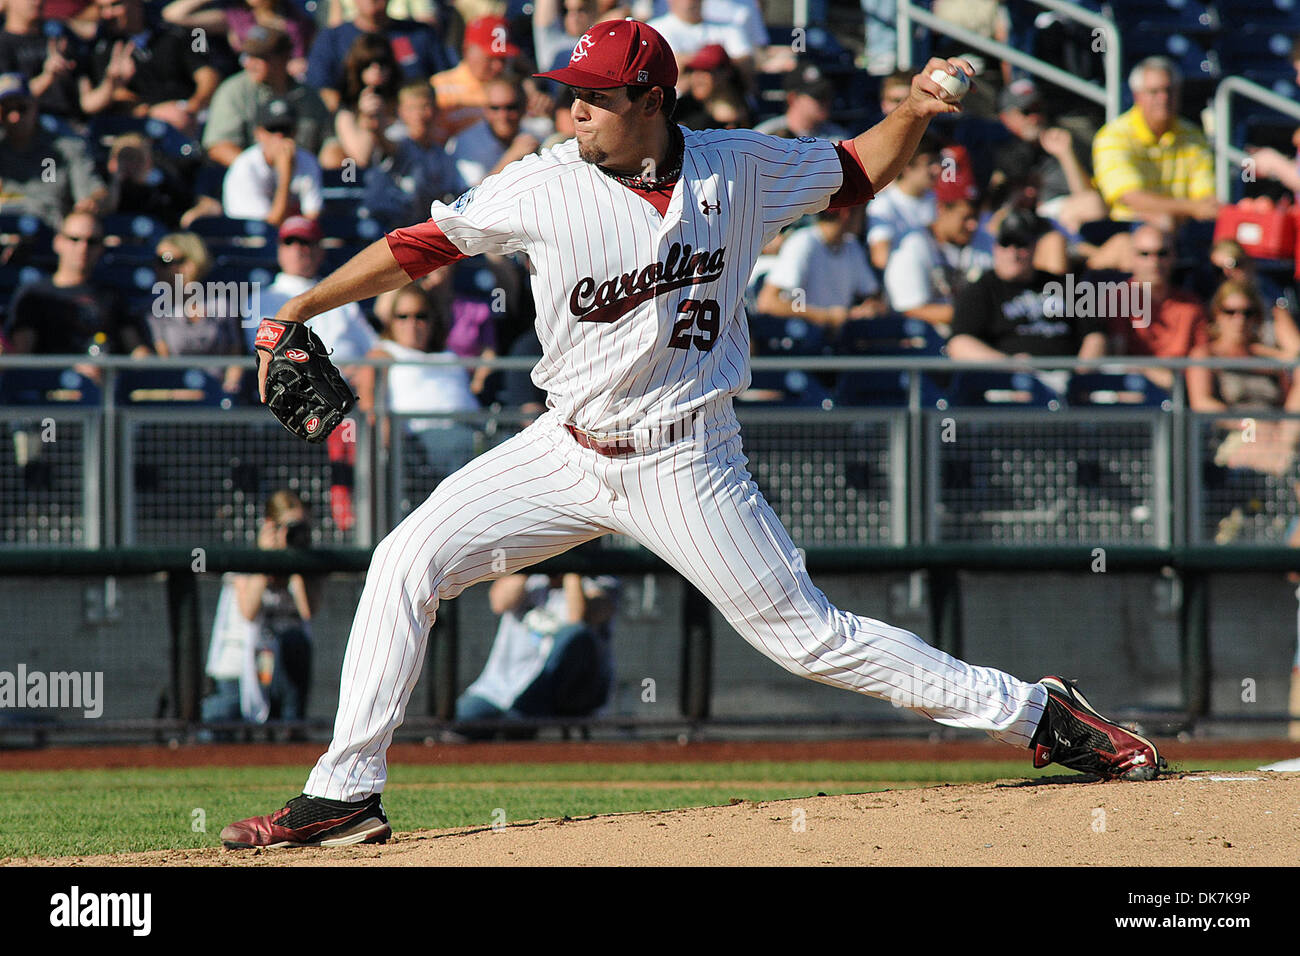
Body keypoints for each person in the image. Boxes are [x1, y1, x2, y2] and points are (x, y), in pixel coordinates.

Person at [221, 22, 1163, 849]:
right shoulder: (540, 186)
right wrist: (301, 303)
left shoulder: (737, 167)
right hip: (567, 446)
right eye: (569, 94)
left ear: (651, 98)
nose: (576, 111)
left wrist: (914, 110)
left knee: (810, 641)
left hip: (687, 458)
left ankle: (1037, 713)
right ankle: (345, 793)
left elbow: (852, 169)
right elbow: (419, 246)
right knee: (403, 562)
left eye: (595, 96)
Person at [947, 209, 1105, 392]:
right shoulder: (981, 289)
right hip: (1009, 384)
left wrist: (1082, 376)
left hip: (1068, 378)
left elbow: (1095, 335)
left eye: (1021, 245)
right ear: (995, 247)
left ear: (1035, 246)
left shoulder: (1065, 285)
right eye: (1006, 244)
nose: (1013, 253)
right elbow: (959, 344)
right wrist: (1008, 365)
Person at [202, 489, 319, 730]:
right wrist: (267, 556)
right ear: (270, 526)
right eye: (290, 527)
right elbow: (249, 611)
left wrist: (295, 560)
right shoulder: (246, 559)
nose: (296, 533)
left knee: (296, 642)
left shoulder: (308, 565)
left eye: (301, 527)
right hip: (238, 671)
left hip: (280, 673)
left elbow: (308, 611)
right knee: (216, 731)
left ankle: (290, 739)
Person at [455, 573, 618, 738]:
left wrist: (570, 570)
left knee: (575, 633)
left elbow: (578, 621)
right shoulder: (532, 579)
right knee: (455, 727)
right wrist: (534, 556)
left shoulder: (597, 581)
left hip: (557, 695)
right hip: (498, 689)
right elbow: (499, 602)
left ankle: (519, 721)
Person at [358, 283, 479, 481]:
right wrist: (384, 433)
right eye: (402, 316)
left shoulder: (448, 354)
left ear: (432, 320)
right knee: (466, 448)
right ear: (391, 321)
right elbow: (368, 400)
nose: (412, 324)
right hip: (421, 439)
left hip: (471, 430)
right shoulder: (385, 352)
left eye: (420, 316)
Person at [4, 210, 151, 369]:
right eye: (74, 239)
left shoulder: (112, 295)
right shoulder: (34, 296)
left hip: (104, 386)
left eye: (92, 241)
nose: (83, 247)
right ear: (58, 242)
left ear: (101, 247)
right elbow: (21, 359)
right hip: (52, 386)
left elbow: (136, 351)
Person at [1091, 57, 1218, 225]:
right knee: (1162, 222)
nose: (1163, 97)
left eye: (1169, 90)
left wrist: (1197, 208)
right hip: (1130, 229)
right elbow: (1131, 198)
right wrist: (1192, 208)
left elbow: (1206, 196)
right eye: (1154, 91)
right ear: (1137, 96)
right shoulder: (1113, 136)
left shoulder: (1193, 135)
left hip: (1183, 227)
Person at [81, 0, 220, 135]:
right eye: (102, 8)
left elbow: (207, 76)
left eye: (115, 5)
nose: (108, 14)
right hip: (142, 127)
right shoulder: (102, 48)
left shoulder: (174, 33)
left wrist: (192, 107)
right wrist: (152, 112)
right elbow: (117, 97)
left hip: (191, 116)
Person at [202, 25, 332, 167]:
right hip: (249, 183)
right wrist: (259, 172)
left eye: (260, 57)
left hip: (302, 178)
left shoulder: (309, 96)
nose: (250, 64)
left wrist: (325, 161)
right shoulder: (233, 91)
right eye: (247, 56)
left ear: (285, 57)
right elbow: (219, 147)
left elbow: (329, 141)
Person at [253, 216, 378, 365]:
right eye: (289, 241)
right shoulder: (258, 300)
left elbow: (373, 346)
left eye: (305, 242)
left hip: (346, 382)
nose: (297, 248)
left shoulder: (343, 298)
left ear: (319, 250)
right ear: (279, 249)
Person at [988, 78, 1105, 236]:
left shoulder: (1063, 141)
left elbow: (1088, 200)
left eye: (1038, 109)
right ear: (1006, 117)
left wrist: (1066, 154)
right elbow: (989, 207)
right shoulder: (997, 148)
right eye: (1026, 111)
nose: (1035, 118)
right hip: (1014, 221)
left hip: (1059, 221)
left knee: (1092, 204)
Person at [1105, 223, 1209, 391]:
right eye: (1144, 254)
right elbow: (1118, 360)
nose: (1154, 261)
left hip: (1183, 393)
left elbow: (1200, 358)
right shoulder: (1116, 299)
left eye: (1162, 253)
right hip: (1132, 393)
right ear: (1131, 257)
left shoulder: (1191, 305)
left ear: (1174, 256)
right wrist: (1159, 377)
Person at [0, 73, 107, 227]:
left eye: (22, 108)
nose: (14, 117)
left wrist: (93, 202)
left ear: (34, 107)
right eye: (6, 111)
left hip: (47, 234)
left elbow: (92, 193)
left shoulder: (66, 148)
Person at [305, 0, 452, 113]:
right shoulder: (331, 39)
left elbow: (444, 83)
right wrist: (355, 116)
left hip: (417, 126)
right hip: (356, 129)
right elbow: (321, 91)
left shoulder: (420, 34)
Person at [756, 205, 885, 332]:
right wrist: (825, 316)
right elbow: (767, 302)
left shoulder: (852, 246)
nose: (864, 217)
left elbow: (874, 296)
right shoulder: (802, 242)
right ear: (845, 214)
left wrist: (868, 309)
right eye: (861, 210)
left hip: (837, 340)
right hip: (803, 341)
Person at [147, 231, 245, 395]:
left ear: (192, 262)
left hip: (220, 392)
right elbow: (164, 360)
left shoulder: (222, 306)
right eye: (158, 262)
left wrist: (229, 387)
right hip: (176, 395)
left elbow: (236, 355)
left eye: (167, 261)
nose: (159, 268)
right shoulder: (155, 310)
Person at [883, 192, 992, 333]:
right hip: (922, 342)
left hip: (970, 335)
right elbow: (908, 310)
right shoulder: (911, 244)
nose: (973, 225)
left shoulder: (984, 240)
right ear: (941, 209)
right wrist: (979, 314)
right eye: (966, 217)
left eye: (977, 217)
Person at [221, 98, 324, 225]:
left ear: (295, 132)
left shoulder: (308, 161)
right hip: (251, 240)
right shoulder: (245, 167)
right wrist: (285, 174)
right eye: (272, 129)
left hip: (294, 239)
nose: (279, 136)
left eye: (285, 130)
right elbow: (268, 227)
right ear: (258, 133)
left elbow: (312, 217)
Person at [430, 14, 520, 144]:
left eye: (503, 58)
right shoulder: (440, 87)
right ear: (466, 50)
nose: (498, 66)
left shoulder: (516, 89)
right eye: (490, 58)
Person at [446, 75, 542, 187]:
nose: (503, 116)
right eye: (495, 108)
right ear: (485, 109)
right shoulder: (466, 142)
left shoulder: (537, 133)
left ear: (524, 107)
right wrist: (510, 158)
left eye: (511, 107)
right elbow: (468, 197)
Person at [0, 0, 87, 119]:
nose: (36, 2)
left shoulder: (59, 35)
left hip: (73, 121)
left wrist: (110, 81)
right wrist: (47, 77)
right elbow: (11, 100)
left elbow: (85, 98)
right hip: (31, 122)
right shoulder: (3, 44)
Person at [864, 134, 938, 270]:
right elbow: (880, 259)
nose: (937, 169)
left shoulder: (935, 198)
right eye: (929, 163)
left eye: (937, 162)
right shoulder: (883, 204)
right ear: (907, 167)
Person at [752, 63, 847, 141]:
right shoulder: (765, 135)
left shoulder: (837, 136)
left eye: (827, 94)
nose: (826, 101)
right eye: (819, 96)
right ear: (792, 99)